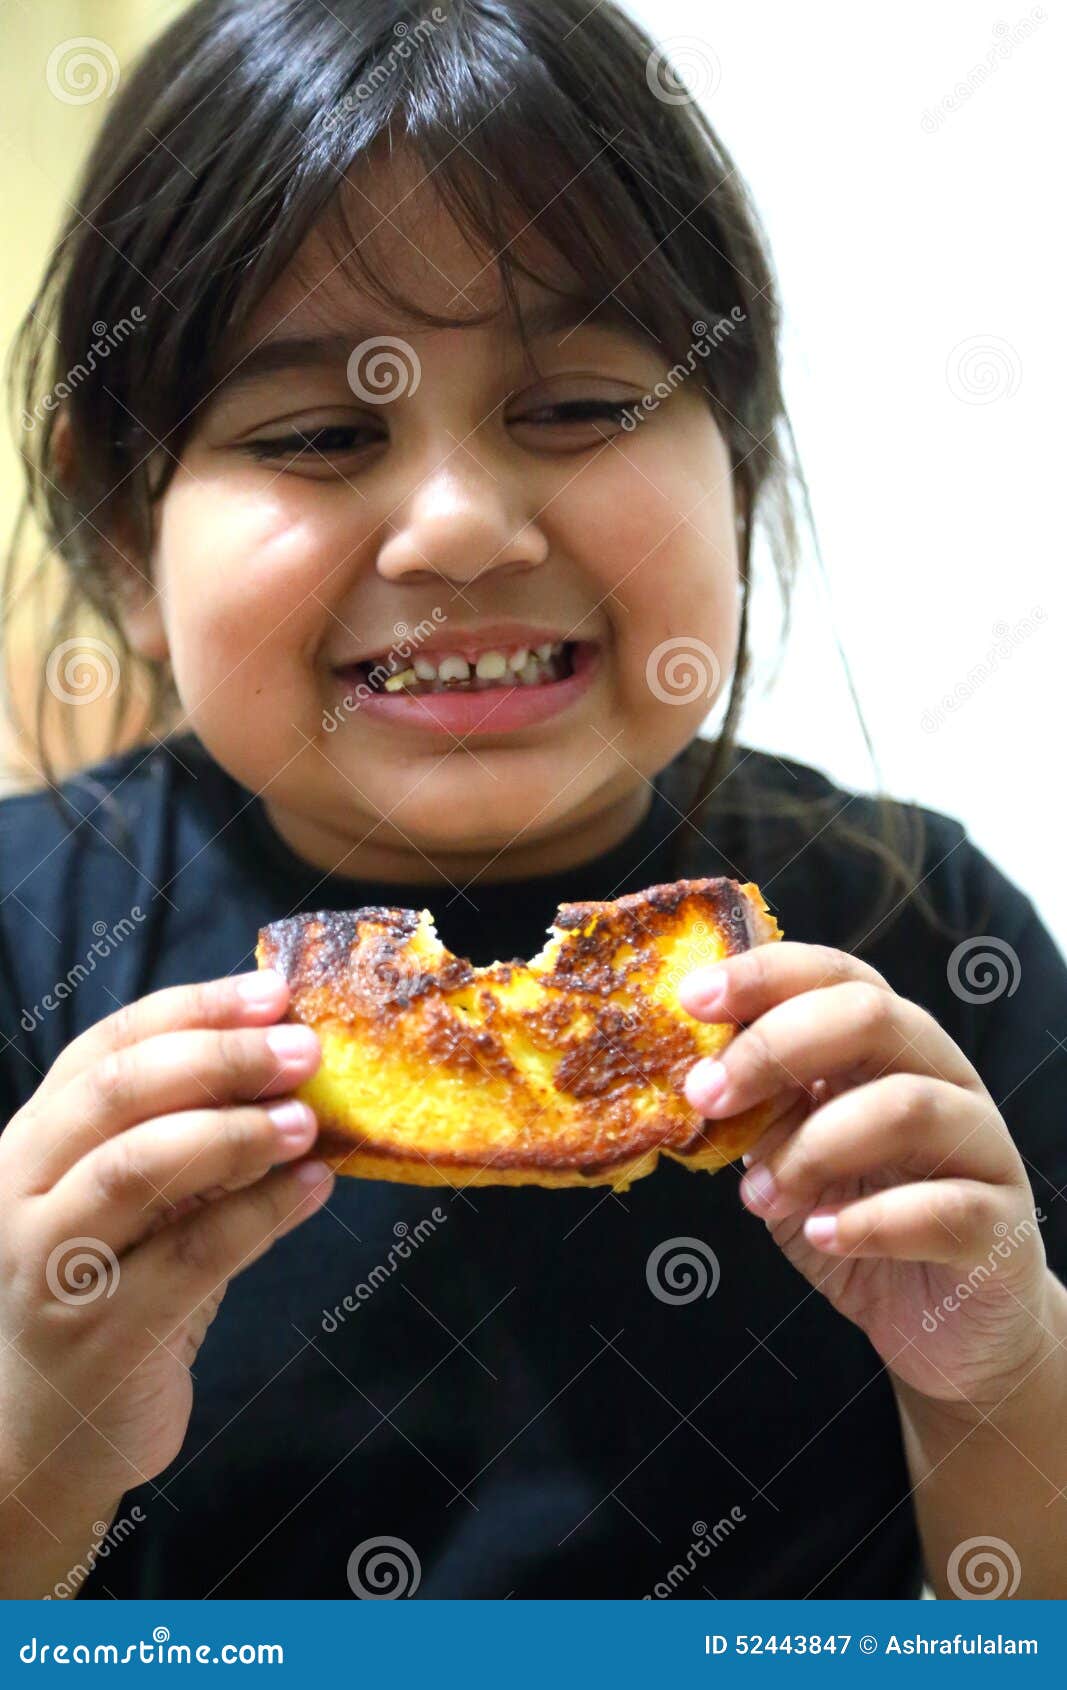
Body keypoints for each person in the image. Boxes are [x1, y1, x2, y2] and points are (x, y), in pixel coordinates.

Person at [1, 0, 1064, 1601]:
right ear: (123, 534)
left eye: (577, 408)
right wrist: (42, 1432)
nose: (459, 526)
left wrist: (1001, 1375)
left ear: (743, 454)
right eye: (318, 432)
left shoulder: (923, 927)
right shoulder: (32, 942)